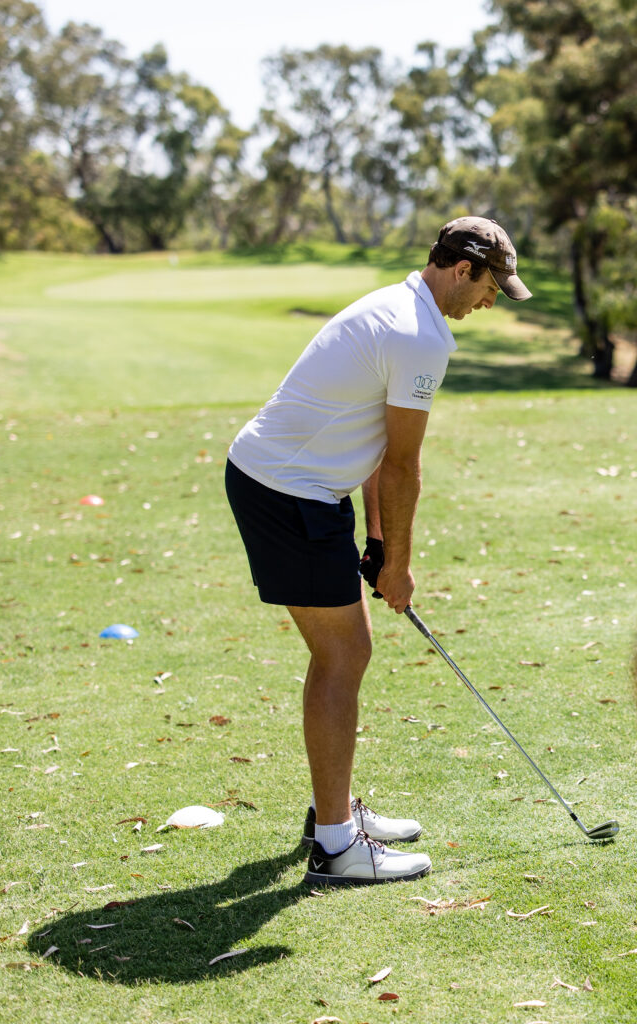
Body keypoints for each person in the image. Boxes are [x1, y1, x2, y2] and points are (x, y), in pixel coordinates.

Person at [225, 217, 531, 887]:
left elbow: (369, 444)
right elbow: (401, 464)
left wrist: (378, 541)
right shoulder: (419, 335)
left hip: (297, 484)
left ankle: (332, 816)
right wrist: (397, 566)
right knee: (344, 653)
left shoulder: (397, 307)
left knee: (344, 650)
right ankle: (336, 846)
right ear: (461, 270)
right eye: (490, 287)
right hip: (287, 490)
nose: (491, 301)